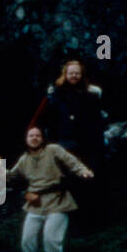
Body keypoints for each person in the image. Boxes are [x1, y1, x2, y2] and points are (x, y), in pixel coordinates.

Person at [7, 126, 93, 252]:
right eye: (31, 135)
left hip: (57, 200)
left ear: (42, 138)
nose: (34, 138)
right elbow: (10, 177)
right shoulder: (24, 159)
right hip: (35, 204)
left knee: (51, 239)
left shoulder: (53, 150)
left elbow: (71, 162)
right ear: (26, 139)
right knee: (27, 240)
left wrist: (83, 171)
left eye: (37, 135)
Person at [33, 59, 105, 225]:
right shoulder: (55, 94)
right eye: (71, 73)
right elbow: (44, 118)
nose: (74, 76)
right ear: (65, 74)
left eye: (77, 73)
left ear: (82, 75)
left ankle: (92, 218)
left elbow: (97, 120)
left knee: (89, 180)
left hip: (87, 144)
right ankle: (70, 218)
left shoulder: (91, 94)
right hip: (63, 144)